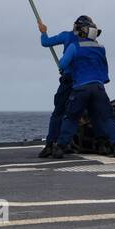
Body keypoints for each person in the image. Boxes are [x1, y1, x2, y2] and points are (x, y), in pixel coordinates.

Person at [50, 15, 115, 159]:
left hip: (81, 88)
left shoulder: (74, 46)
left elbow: (62, 65)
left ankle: (60, 147)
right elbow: (104, 67)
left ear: (81, 31)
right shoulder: (100, 48)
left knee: (71, 118)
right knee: (106, 117)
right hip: (98, 87)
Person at [36, 18, 80, 159]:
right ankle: (65, 144)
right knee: (75, 114)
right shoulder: (90, 43)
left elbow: (46, 43)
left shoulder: (66, 35)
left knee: (59, 112)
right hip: (82, 81)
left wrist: (43, 32)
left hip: (68, 80)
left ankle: (50, 145)